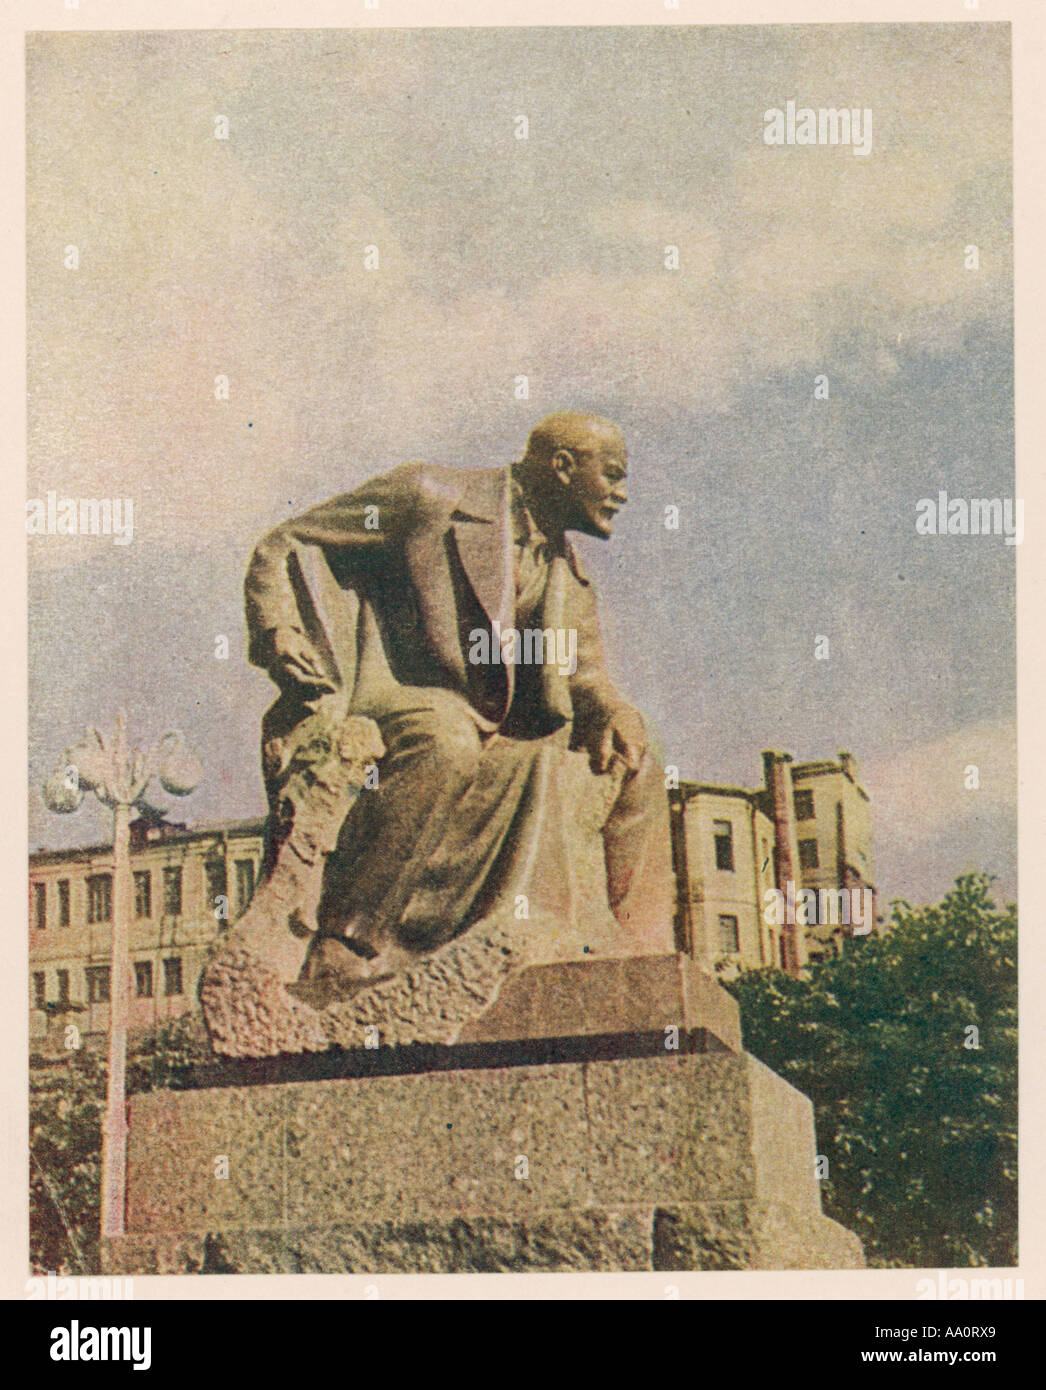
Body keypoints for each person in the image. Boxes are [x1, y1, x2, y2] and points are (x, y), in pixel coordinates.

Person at [244, 412, 675, 988]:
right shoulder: (429, 497)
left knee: (638, 748)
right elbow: (288, 541)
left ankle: (635, 955)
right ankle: (344, 942)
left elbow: (583, 676)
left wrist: (609, 709)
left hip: (499, 729)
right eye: (613, 475)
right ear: (564, 467)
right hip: (403, 694)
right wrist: (280, 634)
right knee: (446, 742)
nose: (622, 495)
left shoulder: (567, 575)